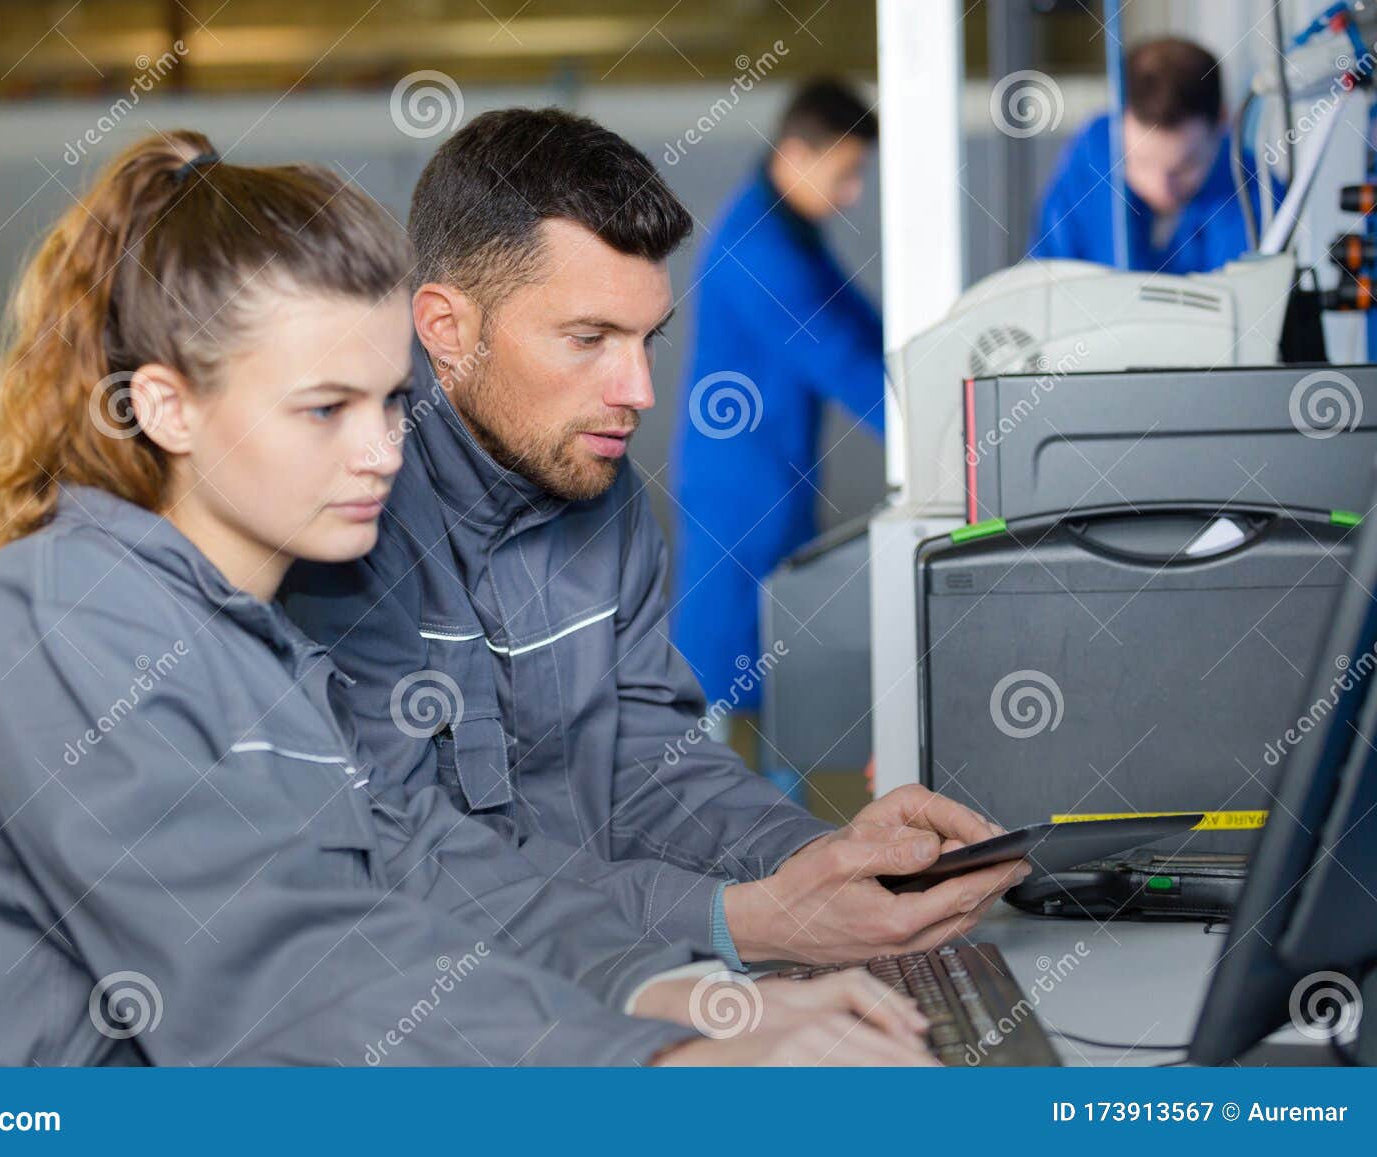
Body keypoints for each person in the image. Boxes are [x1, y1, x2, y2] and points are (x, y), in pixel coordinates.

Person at [0, 130, 935, 1067]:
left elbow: (432, 873)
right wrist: (652, 1058)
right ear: (167, 407)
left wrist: (683, 994)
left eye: (390, 401)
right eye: (325, 408)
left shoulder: (254, 640)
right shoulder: (61, 611)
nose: (384, 451)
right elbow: (273, 968)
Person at [282, 108, 1029, 973]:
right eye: (589, 338)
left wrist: (813, 860)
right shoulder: (345, 518)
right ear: (448, 327)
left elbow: (647, 760)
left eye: (647, 339)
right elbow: (410, 867)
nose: (637, 389)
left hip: (596, 989)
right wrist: (737, 920)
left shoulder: (603, 495)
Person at [671, 77, 887, 724]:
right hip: (740, 490)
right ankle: (695, 812)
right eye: (847, 173)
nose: (854, 192)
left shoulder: (788, 230)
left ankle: (769, 808)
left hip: (774, 475)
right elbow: (843, 360)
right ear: (796, 153)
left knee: (774, 665)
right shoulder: (758, 249)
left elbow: (858, 324)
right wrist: (942, 436)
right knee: (720, 671)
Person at [1031, 37, 1260, 274]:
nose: (1161, 187)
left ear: (1223, 122)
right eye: (1141, 162)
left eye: (1185, 168)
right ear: (1118, 122)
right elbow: (1047, 277)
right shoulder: (1092, 155)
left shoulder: (1259, 196)